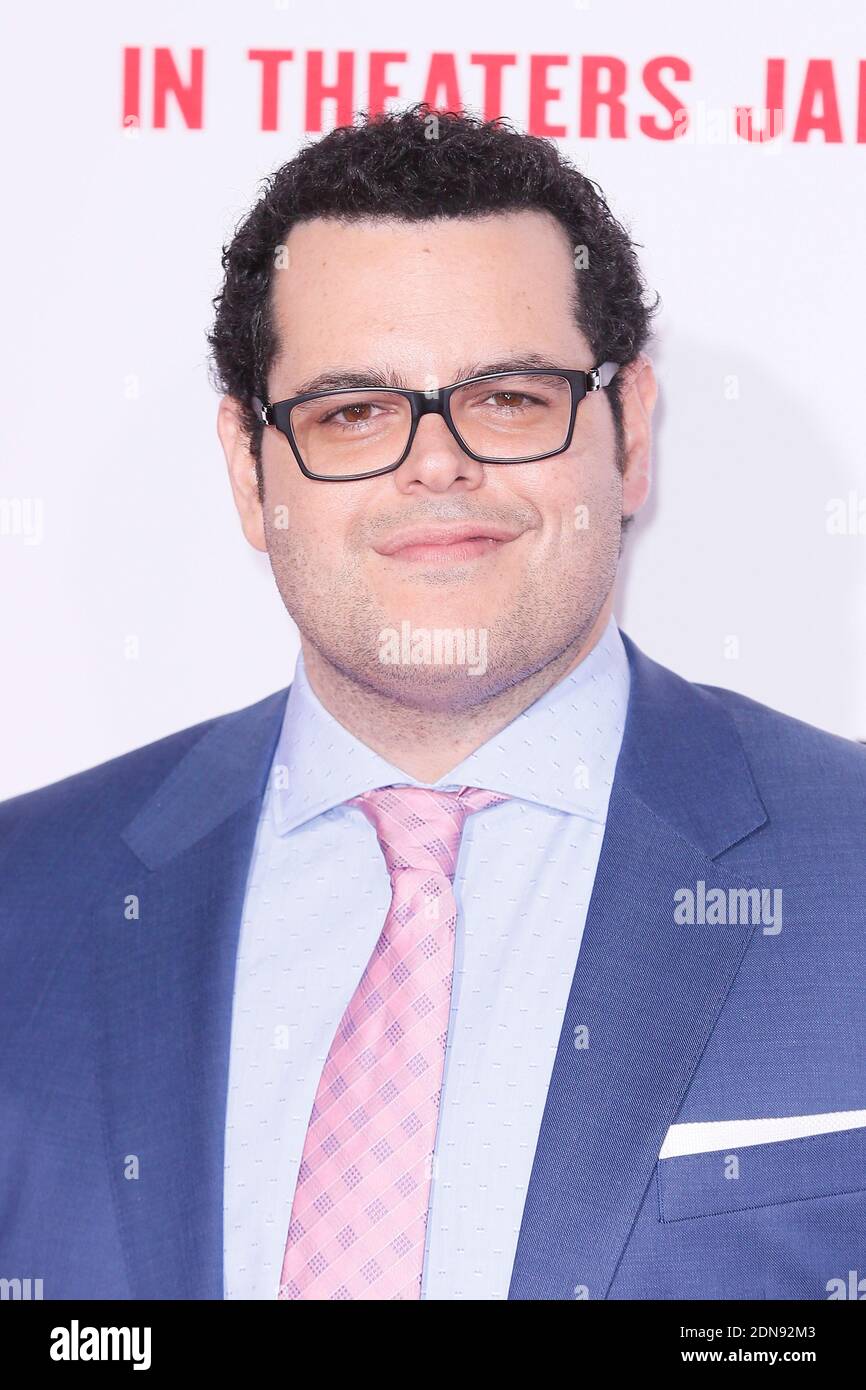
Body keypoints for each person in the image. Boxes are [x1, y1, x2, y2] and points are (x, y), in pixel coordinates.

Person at [1, 104, 863, 1303]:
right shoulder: (23, 897)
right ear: (251, 474)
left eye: (508, 397)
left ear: (629, 436)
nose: (435, 463)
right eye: (350, 412)